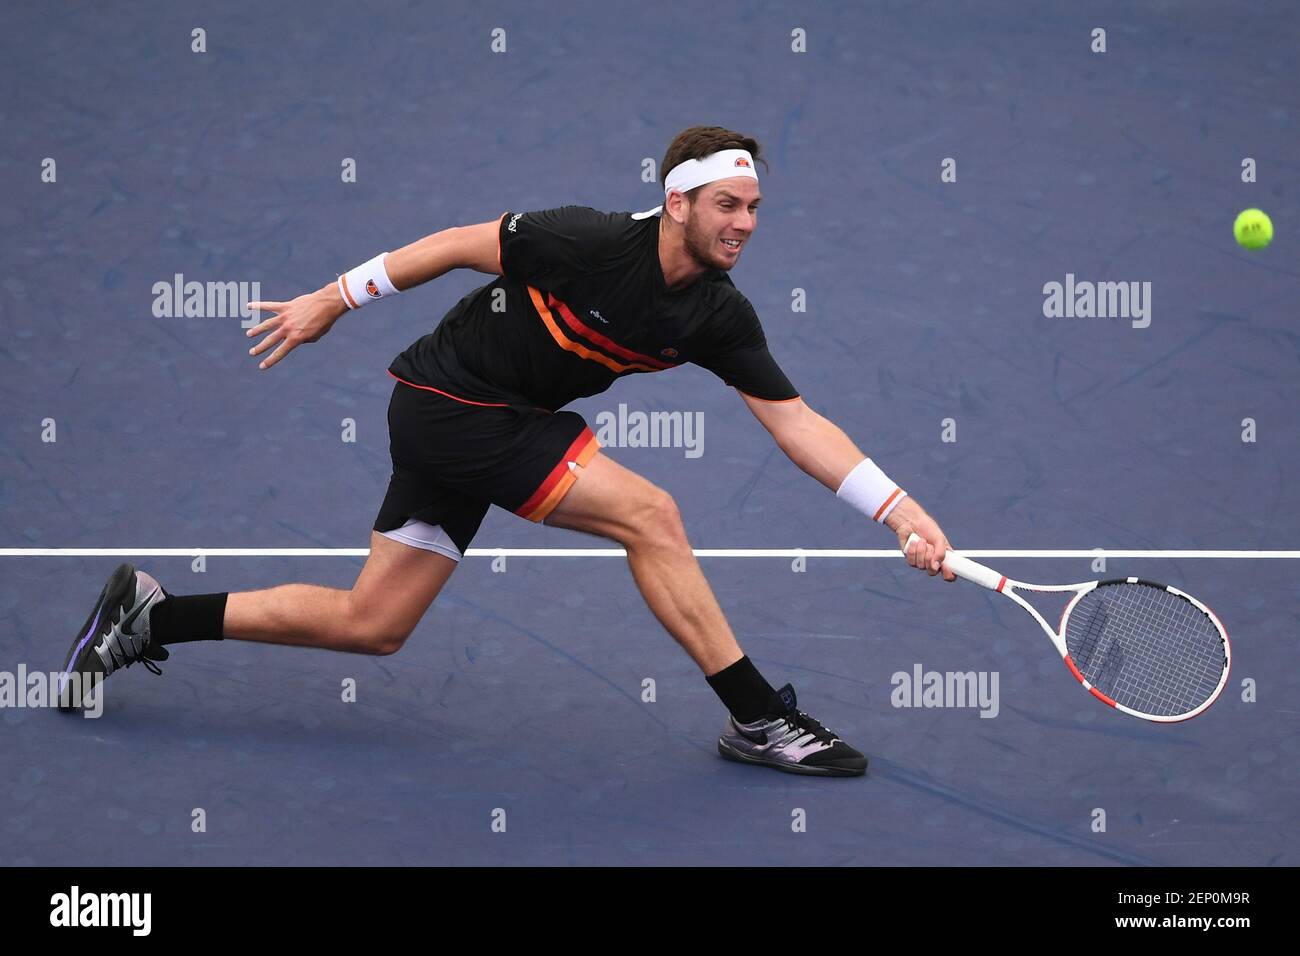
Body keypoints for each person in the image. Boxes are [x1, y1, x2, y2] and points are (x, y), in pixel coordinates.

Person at [59, 126, 956, 777]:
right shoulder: (591, 241)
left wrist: (900, 510)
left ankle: (148, 615)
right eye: (729, 204)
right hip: (453, 405)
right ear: (677, 201)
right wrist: (335, 296)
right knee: (652, 517)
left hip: (479, 420)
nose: (746, 223)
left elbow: (795, 422)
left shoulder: (717, 314)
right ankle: (758, 718)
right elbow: (454, 246)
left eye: (756, 207)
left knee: (375, 624)